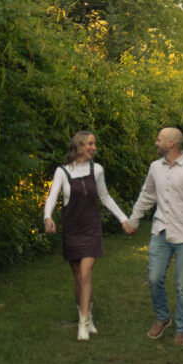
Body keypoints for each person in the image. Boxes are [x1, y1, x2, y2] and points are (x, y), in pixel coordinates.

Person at [126, 126, 183, 346]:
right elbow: (147, 195)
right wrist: (134, 220)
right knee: (154, 278)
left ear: (171, 144)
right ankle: (162, 317)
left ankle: (181, 329)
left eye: (159, 140)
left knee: (182, 285)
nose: (156, 143)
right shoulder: (155, 167)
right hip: (160, 231)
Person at [43, 131, 132, 342]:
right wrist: (47, 217)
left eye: (94, 144)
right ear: (80, 145)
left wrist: (123, 219)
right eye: (90, 144)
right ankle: (87, 313)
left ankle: (82, 323)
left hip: (92, 229)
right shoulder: (62, 171)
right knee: (78, 278)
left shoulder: (97, 170)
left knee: (85, 274)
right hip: (72, 230)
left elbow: (105, 197)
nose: (94, 147)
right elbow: (52, 196)